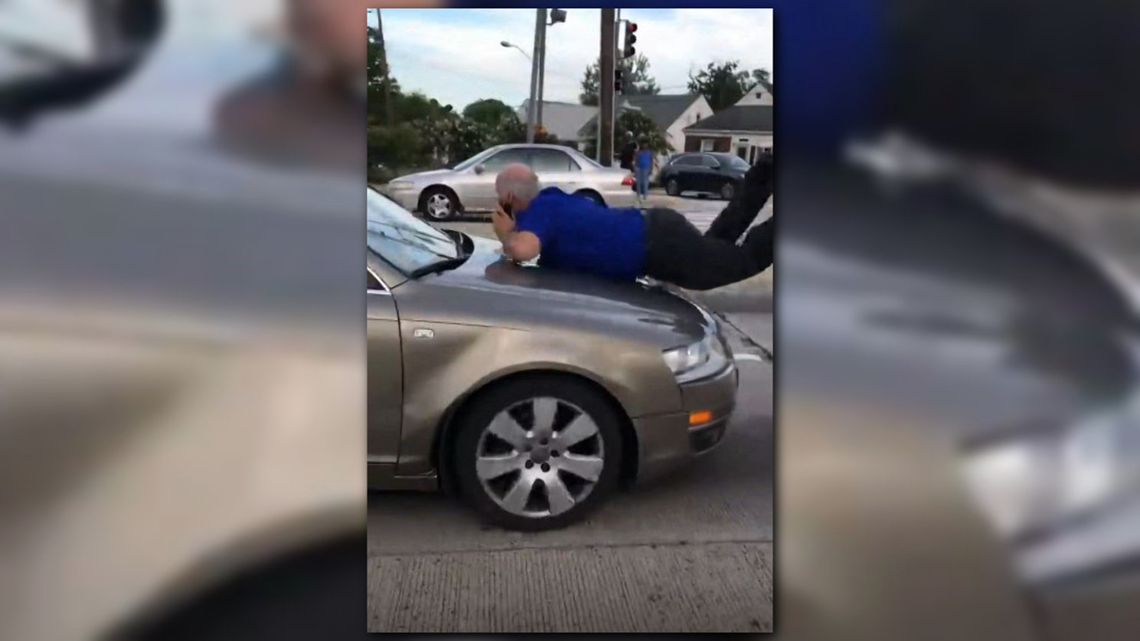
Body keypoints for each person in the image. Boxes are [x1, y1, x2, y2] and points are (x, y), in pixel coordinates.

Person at [491, 154, 773, 291]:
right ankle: (766, 171)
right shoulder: (553, 199)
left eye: (499, 198)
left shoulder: (538, 213)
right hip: (657, 230)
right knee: (719, 244)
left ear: (508, 197)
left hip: (659, 246)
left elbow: (524, 250)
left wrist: (505, 235)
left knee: (743, 260)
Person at [634, 137, 654, 204]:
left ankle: (645, 195)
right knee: (639, 182)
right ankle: (638, 195)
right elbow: (636, 160)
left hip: (646, 168)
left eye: (646, 144)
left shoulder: (649, 152)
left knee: (645, 182)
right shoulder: (638, 152)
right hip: (639, 168)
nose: (645, 145)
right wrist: (635, 168)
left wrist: (651, 169)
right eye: (643, 144)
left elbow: (651, 161)